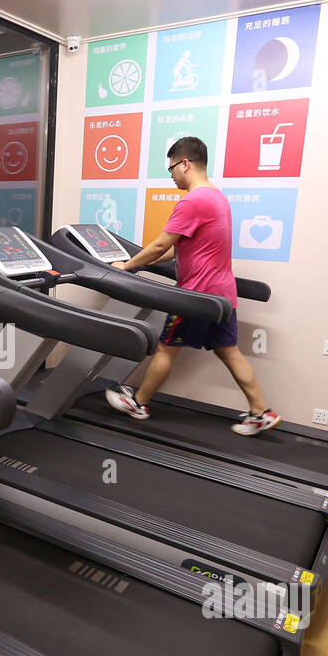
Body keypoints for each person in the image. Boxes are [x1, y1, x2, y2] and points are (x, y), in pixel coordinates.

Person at [104, 136, 280, 436]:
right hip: (222, 295)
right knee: (228, 351)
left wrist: (128, 265)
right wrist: (147, 261)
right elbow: (182, 247)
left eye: (172, 169)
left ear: (185, 164)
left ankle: (139, 403)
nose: (171, 176)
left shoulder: (193, 200)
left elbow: (162, 243)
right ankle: (260, 411)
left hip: (197, 295)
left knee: (165, 348)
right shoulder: (216, 197)